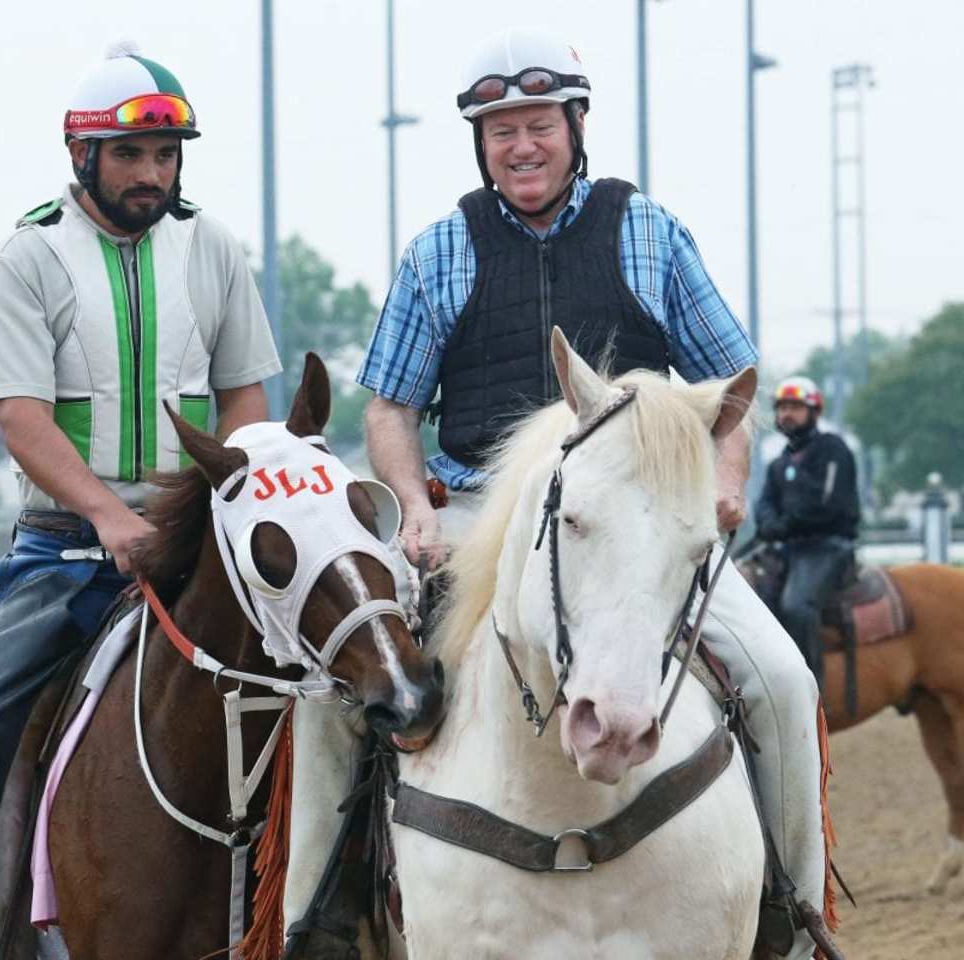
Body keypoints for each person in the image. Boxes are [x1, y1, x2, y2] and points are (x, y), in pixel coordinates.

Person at [357, 26, 830, 958]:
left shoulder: (649, 230)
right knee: (334, 702)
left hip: (642, 527)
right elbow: (389, 409)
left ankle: (799, 918)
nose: (520, 145)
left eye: (538, 123)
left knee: (782, 680)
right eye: (501, 131)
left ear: (575, 126)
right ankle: (316, 919)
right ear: (480, 146)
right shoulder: (437, 250)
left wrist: (722, 490)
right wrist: (412, 504)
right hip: (476, 529)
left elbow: (729, 384)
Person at [0, 42, 281, 959]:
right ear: (81, 155)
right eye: (131, 155)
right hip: (64, 549)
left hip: (195, 540)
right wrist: (108, 515)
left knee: (332, 687)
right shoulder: (26, 259)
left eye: (167, 155)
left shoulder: (211, 247)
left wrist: (231, 489)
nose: (152, 173)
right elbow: (22, 419)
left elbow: (246, 394)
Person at [755, 376, 861, 687]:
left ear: (814, 411)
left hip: (828, 546)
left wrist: (781, 525)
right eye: (783, 407)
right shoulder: (778, 463)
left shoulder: (832, 449)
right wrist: (767, 525)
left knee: (796, 606)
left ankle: (809, 689)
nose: (787, 413)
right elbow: (764, 504)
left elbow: (825, 502)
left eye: (796, 407)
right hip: (789, 549)